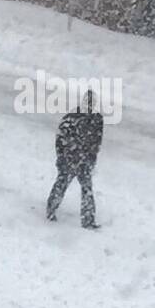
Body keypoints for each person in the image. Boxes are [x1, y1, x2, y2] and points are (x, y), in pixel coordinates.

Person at [46, 90, 103, 229]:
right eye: (87, 103)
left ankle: (88, 220)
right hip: (70, 159)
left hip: (82, 161)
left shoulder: (96, 119)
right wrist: (62, 157)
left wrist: (91, 159)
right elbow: (60, 140)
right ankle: (51, 210)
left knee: (85, 189)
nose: (89, 106)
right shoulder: (72, 118)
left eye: (92, 103)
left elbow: (96, 142)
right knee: (63, 184)